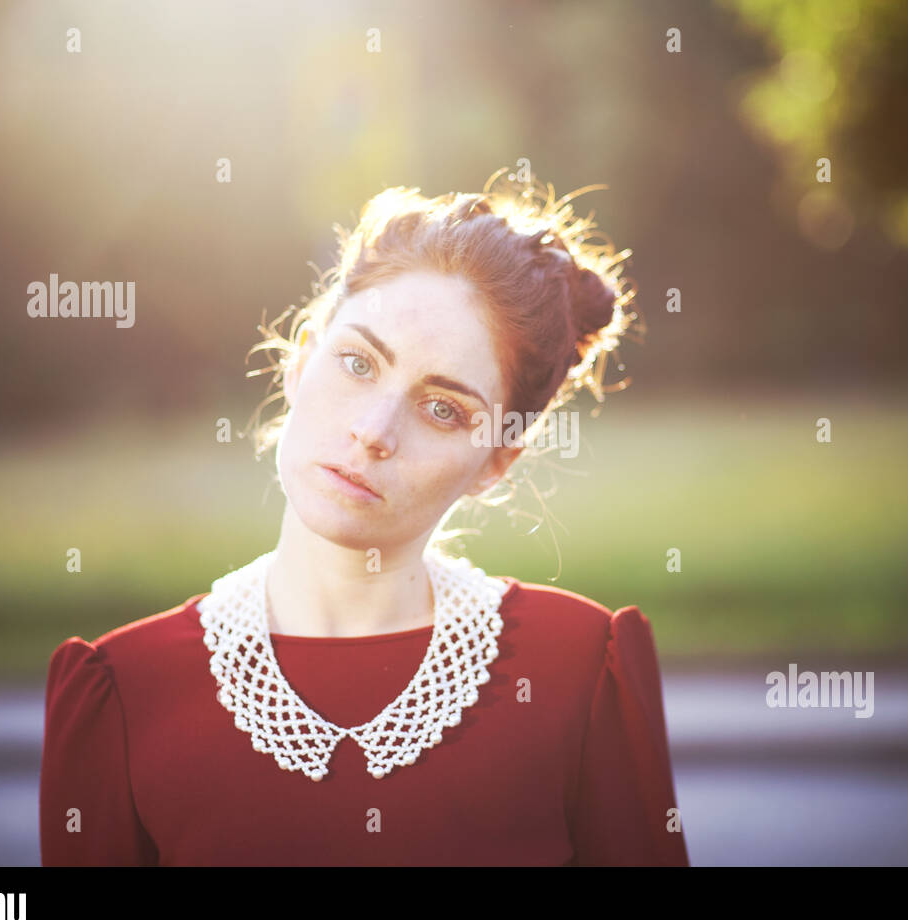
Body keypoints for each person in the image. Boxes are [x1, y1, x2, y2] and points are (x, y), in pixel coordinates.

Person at [39, 168, 690, 866]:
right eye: (357, 363)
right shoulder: (123, 693)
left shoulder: (584, 671)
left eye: (443, 409)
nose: (375, 431)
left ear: (498, 460)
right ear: (301, 358)